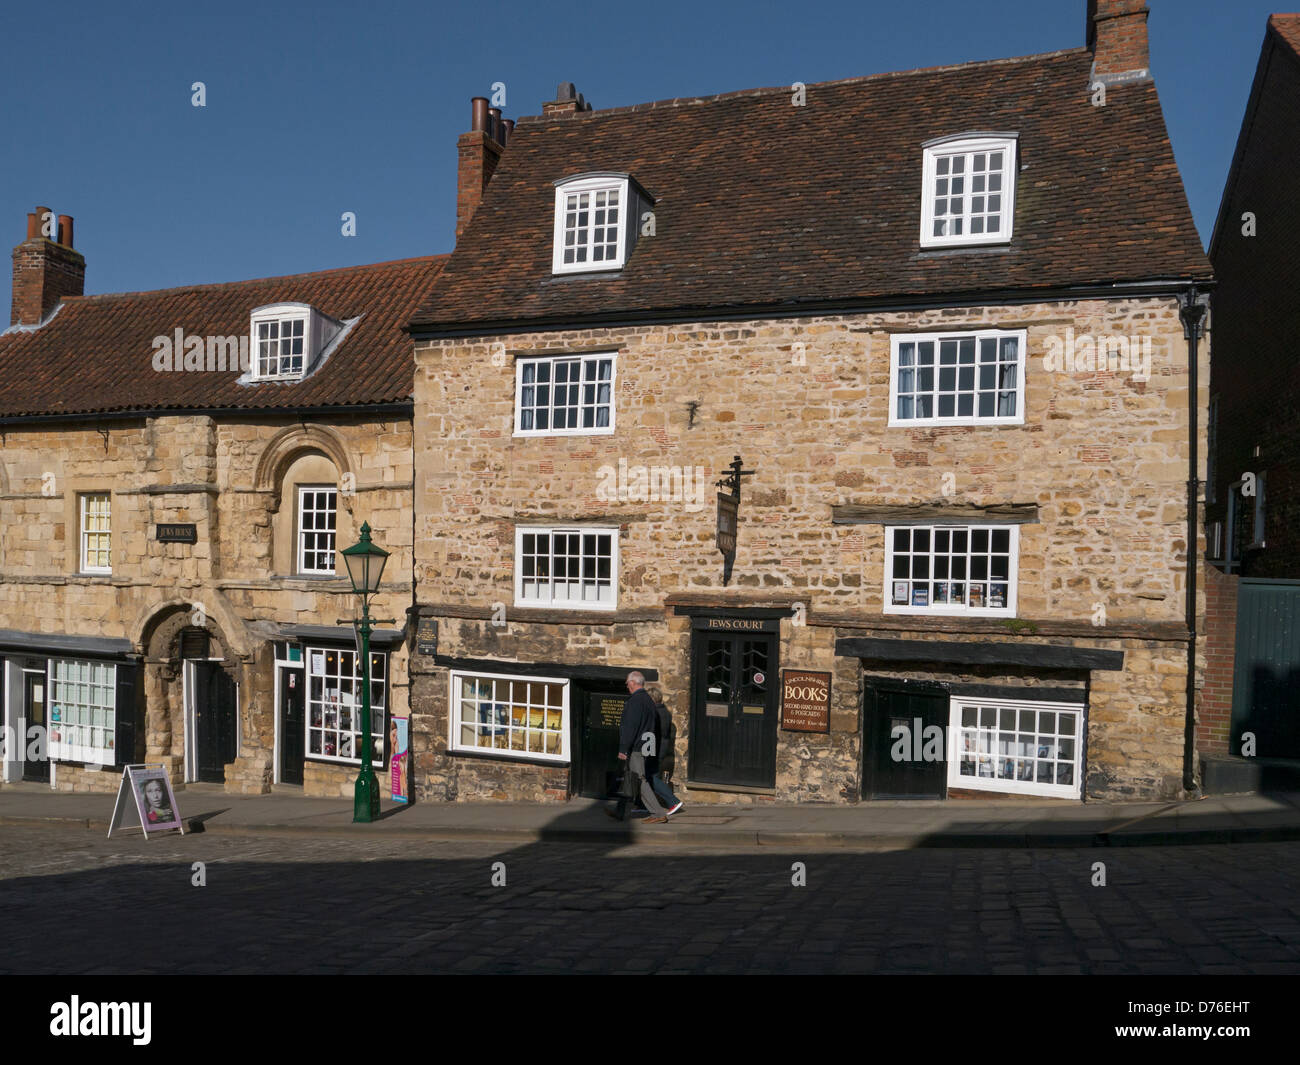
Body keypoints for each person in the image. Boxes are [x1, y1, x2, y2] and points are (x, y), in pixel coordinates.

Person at [607, 672, 673, 823]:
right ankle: (620, 811)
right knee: (627, 777)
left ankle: (658, 813)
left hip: (636, 747)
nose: (626, 686)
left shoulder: (635, 701)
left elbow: (631, 726)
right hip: (645, 746)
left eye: (627, 683)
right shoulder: (648, 701)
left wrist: (623, 748)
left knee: (638, 779)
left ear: (632, 682)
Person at [646, 687, 683, 815]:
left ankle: (673, 801)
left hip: (655, 749)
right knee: (651, 776)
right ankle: (644, 804)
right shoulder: (664, 711)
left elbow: (651, 733)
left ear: (652, 699)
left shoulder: (655, 713)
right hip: (660, 748)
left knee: (650, 777)